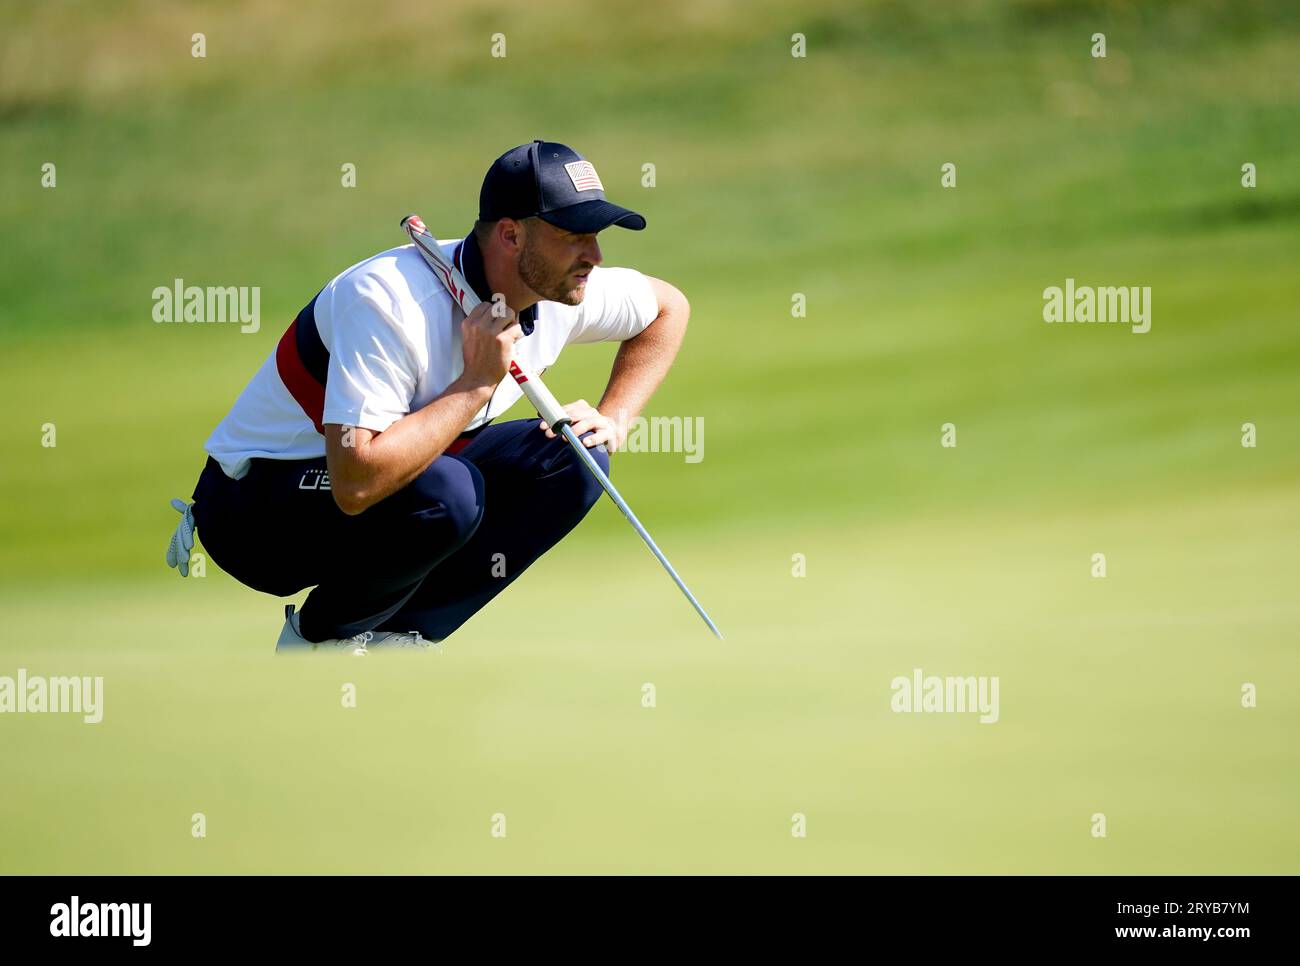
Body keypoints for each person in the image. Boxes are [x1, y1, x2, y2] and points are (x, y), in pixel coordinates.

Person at [165, 140, 690, 652]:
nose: (594, 256)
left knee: (574, 456)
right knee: (447, 493)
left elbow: (668, 309)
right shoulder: (388, 301)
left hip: (381, 492)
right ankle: (320, 642)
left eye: (595, 235)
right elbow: (356, 481)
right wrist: (476, 383)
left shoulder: (561, 287)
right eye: (575, 235)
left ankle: (400, 637)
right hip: (257, 513)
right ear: (511, 235)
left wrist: (615, 417)